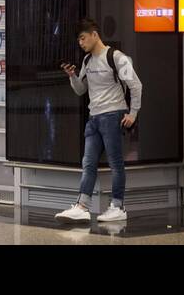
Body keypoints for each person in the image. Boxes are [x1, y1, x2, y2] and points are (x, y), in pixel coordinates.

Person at [55, 19, 142, 222]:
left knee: (115, 163)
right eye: (79, 40)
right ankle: (82, 206)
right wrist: (72, 76)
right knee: (88, 163)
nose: (81, 43)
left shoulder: (116, 57)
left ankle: (117, 207)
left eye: (83, 38)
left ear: (95, 34)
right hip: (93, 117)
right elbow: (80, 90)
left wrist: (133, 113)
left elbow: (136, 85)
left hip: (113, 115)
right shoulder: (87, 61)